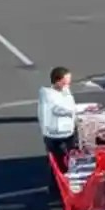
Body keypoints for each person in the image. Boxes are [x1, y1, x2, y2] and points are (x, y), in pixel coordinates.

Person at [38, 66, 80, 195]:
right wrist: (74, 111)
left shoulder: (65, 91)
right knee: (57, 161)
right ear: (57, 81)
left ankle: (71, 183)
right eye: (66, 80)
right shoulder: (47, 94)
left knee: (72, 158)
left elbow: (70, 105)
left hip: (68, 132)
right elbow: (57, 109)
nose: (68, 83)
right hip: (54, 134)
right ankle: (56, 187)